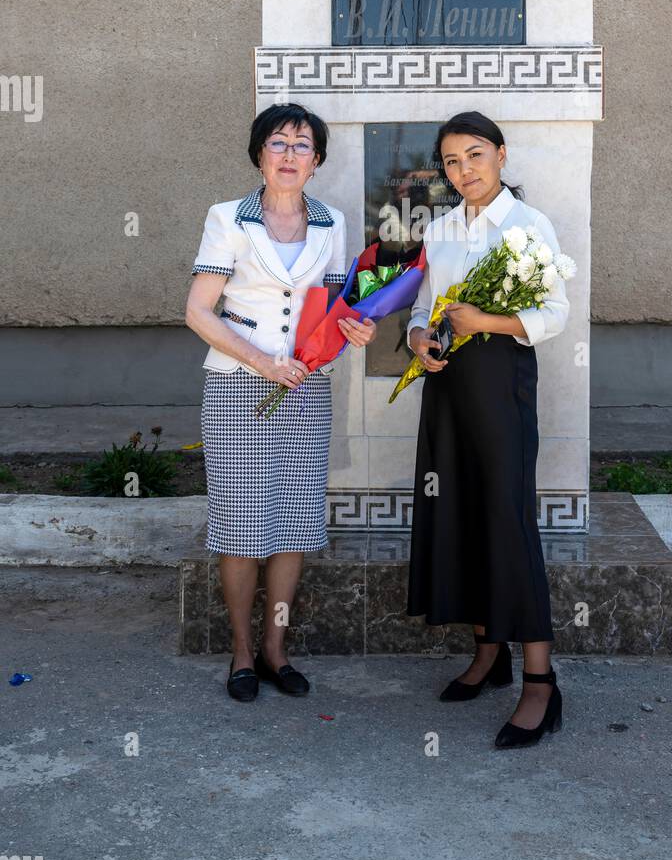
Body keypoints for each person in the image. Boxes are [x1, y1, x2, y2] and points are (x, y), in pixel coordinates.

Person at [185, 103, 376, 703]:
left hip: (305, 387)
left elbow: (333, 307)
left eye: (302, 145)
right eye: (278, 142)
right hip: (240, 384)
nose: (289, 154)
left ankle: (276, 650)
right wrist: (263, 361)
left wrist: (357, 328)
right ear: (259, 154)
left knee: (293, 521)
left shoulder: (331, 223)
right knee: (242, 527)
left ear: (317, 161)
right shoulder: (228, 218)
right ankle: (241, 653)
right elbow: (197, 312)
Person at [405, 111, 569, 748]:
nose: (464, 169)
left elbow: (554, 312)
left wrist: (485, 323)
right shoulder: (441, 229)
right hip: (447, 387)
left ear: (500, 156)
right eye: (451, 161)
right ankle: (488, 653)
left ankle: (540, 681)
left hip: (501, 382)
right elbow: (425, 305)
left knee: (506, 517)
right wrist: (421, 338)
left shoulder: (529, 226)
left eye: (475, 155)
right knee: (460, 515)